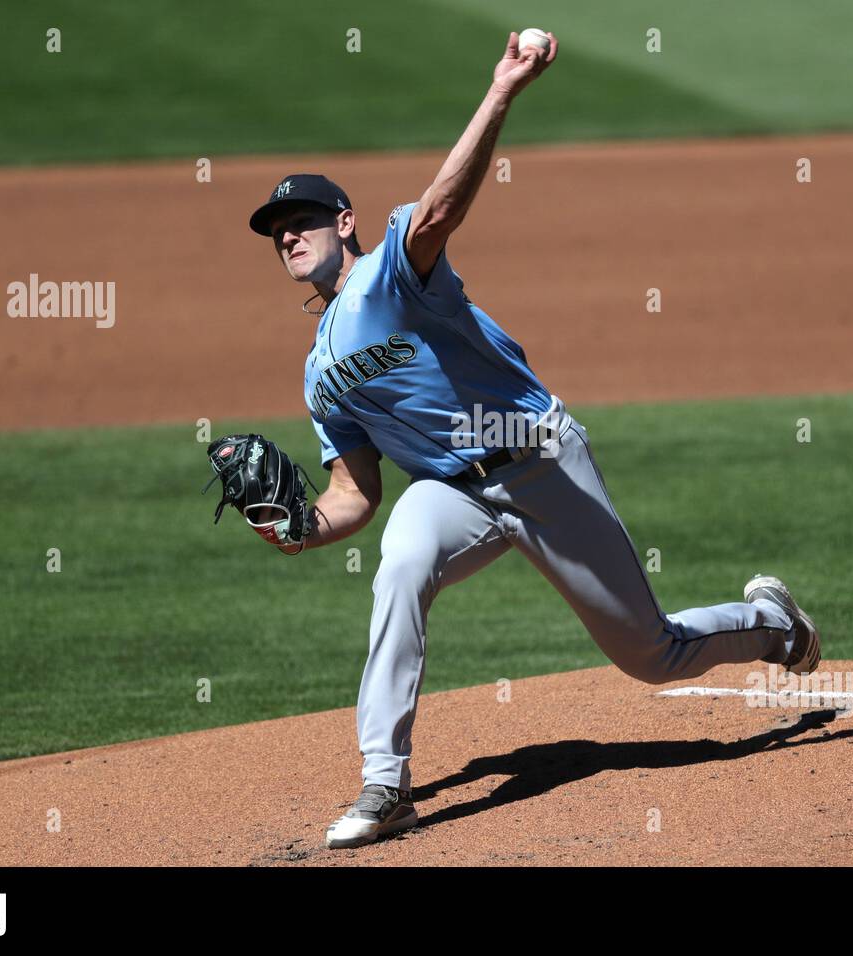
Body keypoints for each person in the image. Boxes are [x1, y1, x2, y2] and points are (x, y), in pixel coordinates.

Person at [245, 31, 821, 850]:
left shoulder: (390, 276)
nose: (288, 236)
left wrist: (502, 89)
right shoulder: (318, 378)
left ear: (344, 223)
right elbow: (356, 493)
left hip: (539, 457)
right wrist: (301, 527)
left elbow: (442, 207)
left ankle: (772, 625)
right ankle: (386, 782)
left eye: (302, 220)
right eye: (277, 231)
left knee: (649, 655)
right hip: (452, 493)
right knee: (402, 563)